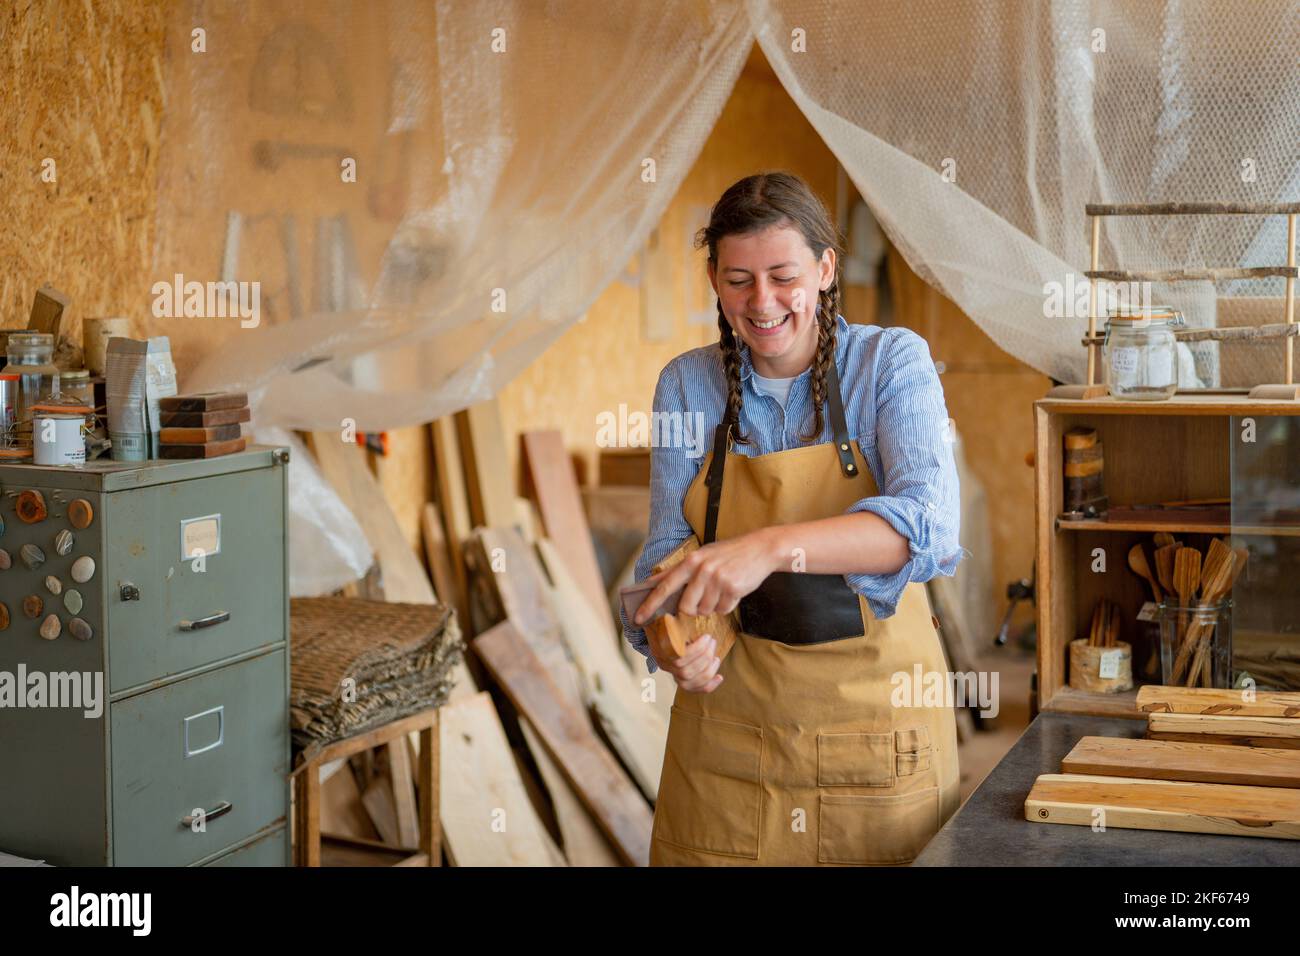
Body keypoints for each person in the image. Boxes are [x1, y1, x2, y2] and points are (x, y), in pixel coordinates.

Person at [620, 171, 966, 866]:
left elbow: (928, 526)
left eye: (783, 276)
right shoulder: (687, 384)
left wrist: (768, 548)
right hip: (729, 737)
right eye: (738, 280)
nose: (763, 301)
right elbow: (663, 554)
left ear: (826, 269)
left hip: (870, 731)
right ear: (714, 280)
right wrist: (668, 639)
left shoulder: (890, 363)